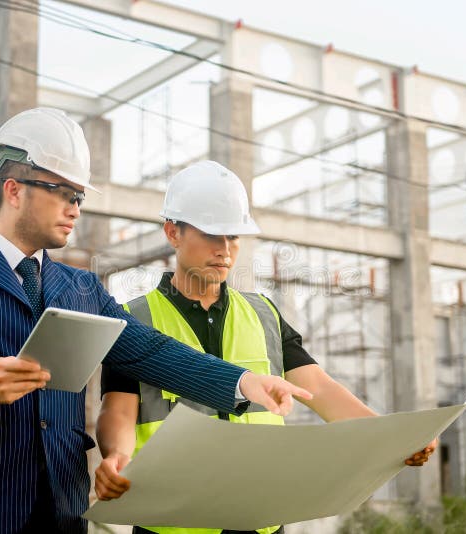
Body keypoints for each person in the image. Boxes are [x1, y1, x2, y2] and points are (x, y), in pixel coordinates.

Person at [0, 109, 310, 534]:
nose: (75, 208)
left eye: (77, 196)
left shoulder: (82, 288)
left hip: (62, 511)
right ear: (14, 189)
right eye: (62, 192)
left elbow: (150, 352)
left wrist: (243, 383)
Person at [94, 160, 438, 534]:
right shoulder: (133, 317)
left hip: (260, 518)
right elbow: (120, 411)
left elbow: (320, 390)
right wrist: (117, 456)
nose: (224, 250)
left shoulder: (264, 314)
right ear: (172, 232)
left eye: (233, 237)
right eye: (212, 234)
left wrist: (391, 439)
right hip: (175, 521)